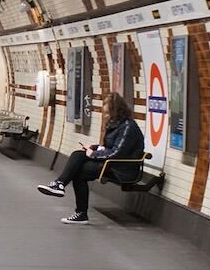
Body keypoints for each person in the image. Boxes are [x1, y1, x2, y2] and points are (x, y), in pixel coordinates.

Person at [36, 92, 145, 224]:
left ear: (117, 111)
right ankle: (61, 187)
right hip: (112, 164)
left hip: (122, 168)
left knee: (80, 171)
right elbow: (108, 147)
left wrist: (93, 154)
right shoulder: (117, 125)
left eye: (107, 113)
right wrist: (93, 147)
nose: (105, 116)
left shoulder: (128, 127)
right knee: (78, 155)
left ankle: (73, 202)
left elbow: (116, 153)